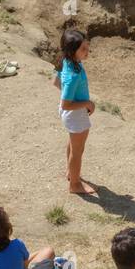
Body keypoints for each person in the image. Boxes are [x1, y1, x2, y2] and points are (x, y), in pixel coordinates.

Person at [54, 29, 95, 195]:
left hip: (73, 115)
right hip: (75, 115)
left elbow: (56, 81)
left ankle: (71, 173)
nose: (87, 52)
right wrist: (86, 103)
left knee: (73, 145)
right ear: (73, 51)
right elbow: (66, 104)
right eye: (83, 49)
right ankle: (75, 185)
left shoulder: (68, 61)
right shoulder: (73, 75)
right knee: (78, 151)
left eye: (87, 47)